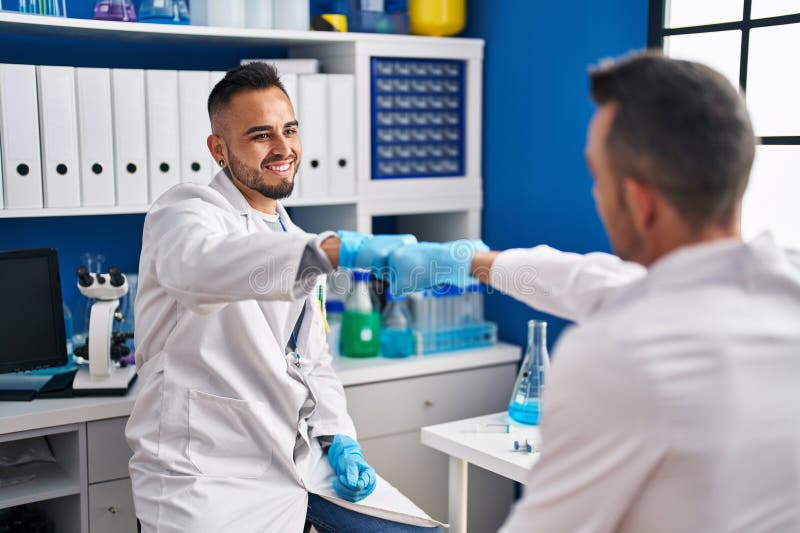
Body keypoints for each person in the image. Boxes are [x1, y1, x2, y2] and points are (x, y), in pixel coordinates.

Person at [389, 52, 800, 532]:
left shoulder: (618, 358)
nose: (595, 194)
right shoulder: (779, 286)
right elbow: (602, 283)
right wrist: (468, 262)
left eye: (598, 177)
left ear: (640, 201)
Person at [125, 62, 442, 533]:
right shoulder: (184, 213)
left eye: (289, 130)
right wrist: (337, 250)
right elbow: (200, 266)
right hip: (205, 479)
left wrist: (339, 435)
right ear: (219, 149)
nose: (283, 149)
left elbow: (310, 361)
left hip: (298, 462)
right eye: (260, 135)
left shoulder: (289, 233)